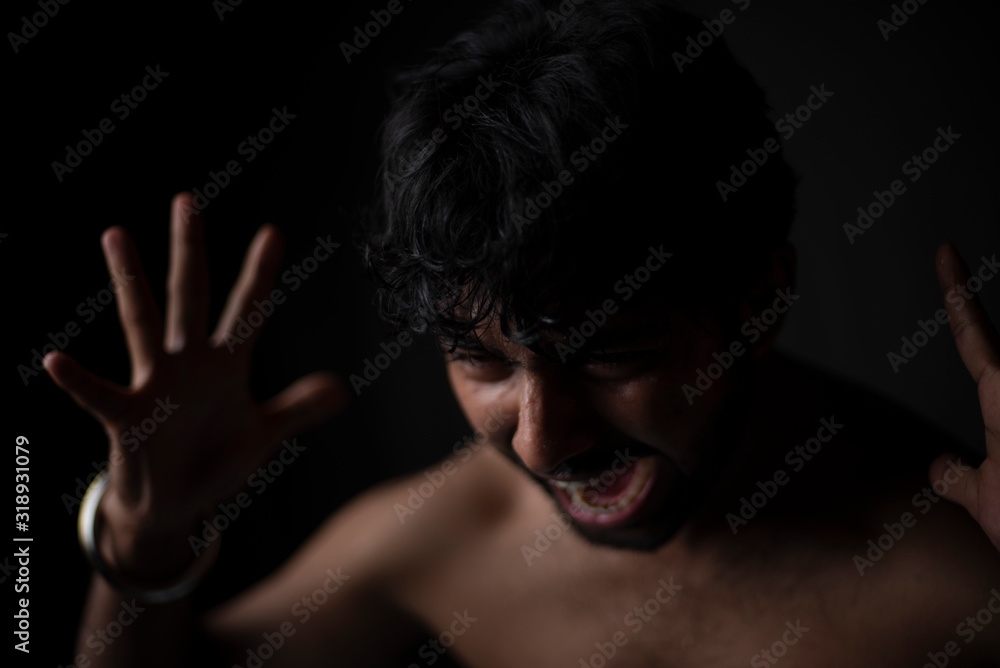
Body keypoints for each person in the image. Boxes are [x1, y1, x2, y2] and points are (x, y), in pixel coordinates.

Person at [47, 0, 1000, 665]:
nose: (541, 444)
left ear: (758, 301)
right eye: (482, 361)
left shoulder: (959, 579)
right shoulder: (449, 533)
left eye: (612, 354)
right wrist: (139, 543)